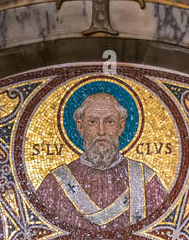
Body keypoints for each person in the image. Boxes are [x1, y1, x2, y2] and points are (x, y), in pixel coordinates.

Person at [35, 92, 168, 228]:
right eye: (92, 122)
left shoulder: (145, 180)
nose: (101, 131)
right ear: (80, 126)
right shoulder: (55, 183)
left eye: (109, 122)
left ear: (121, 126)